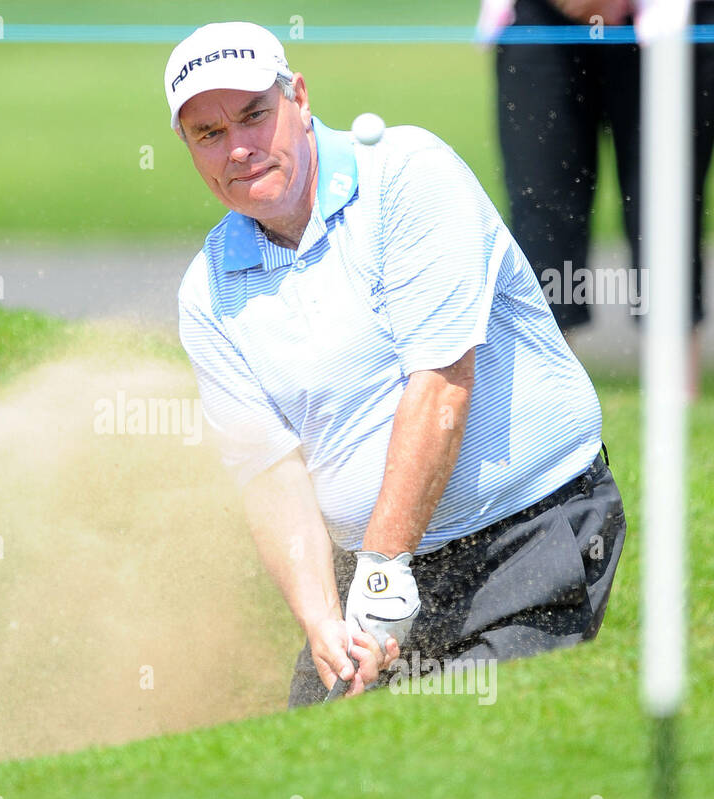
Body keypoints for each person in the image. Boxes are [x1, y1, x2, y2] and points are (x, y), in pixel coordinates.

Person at [164, 22, 627, 707]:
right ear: (190, 149)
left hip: (529, 536)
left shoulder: (408, 174)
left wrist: (382, 570)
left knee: (466, 744)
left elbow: (441, 386)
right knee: (314, 764)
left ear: (300, 97)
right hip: (382, 564)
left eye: (255, 115)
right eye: (209, 133)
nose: (239, 148)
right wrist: (322, 616)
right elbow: (270, 474)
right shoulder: (208, 293)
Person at [488, 0, 714, 395]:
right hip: (539, 19)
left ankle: (676, 409)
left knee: (668, 213)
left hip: (667, 17)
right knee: (542, 220)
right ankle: (548, 408)